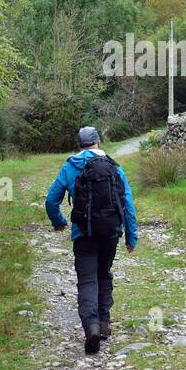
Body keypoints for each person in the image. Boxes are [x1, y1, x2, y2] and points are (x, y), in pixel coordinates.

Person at [45, 126, 139, 354]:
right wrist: (131, 236)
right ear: (98, 142)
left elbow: (51, 200)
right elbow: (127, 203)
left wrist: (59, 222)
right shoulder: (113, 166)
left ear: (80, 144)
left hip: (83, 234)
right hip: (110, 233)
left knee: (87, 280)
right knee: (104, 274)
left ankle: (92, 328)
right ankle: (105, 323)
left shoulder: (70, 166)